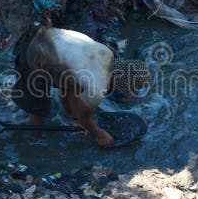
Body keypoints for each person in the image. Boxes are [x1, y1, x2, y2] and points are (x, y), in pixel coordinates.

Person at [11, 26, 151, 147]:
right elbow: (86, 118)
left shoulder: (107, 53)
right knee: (38, 109)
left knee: (72, 86)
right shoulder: (98, 88)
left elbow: (73, 86)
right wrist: (98, 133)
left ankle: (70, 118)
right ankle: (35, 142)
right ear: (119, 84)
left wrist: (77, 119)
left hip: (41, 35)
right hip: (32, 56)